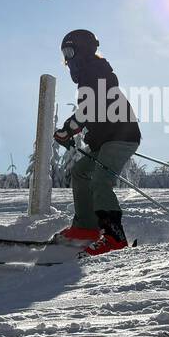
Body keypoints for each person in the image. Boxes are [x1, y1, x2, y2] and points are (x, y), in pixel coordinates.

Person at [53, 29, 141, 255]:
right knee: (81, 172)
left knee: (101, 181)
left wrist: (68, 130)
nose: (68, 58)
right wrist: (71, 130)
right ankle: (86, 228)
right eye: (64, 53)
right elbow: (90, 111)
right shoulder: (88, 75)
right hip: (106, 138)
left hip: (120, 135)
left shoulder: (95, 70)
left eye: (70, 51)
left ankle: (115, 236)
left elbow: (90, 107)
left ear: (83, 49)